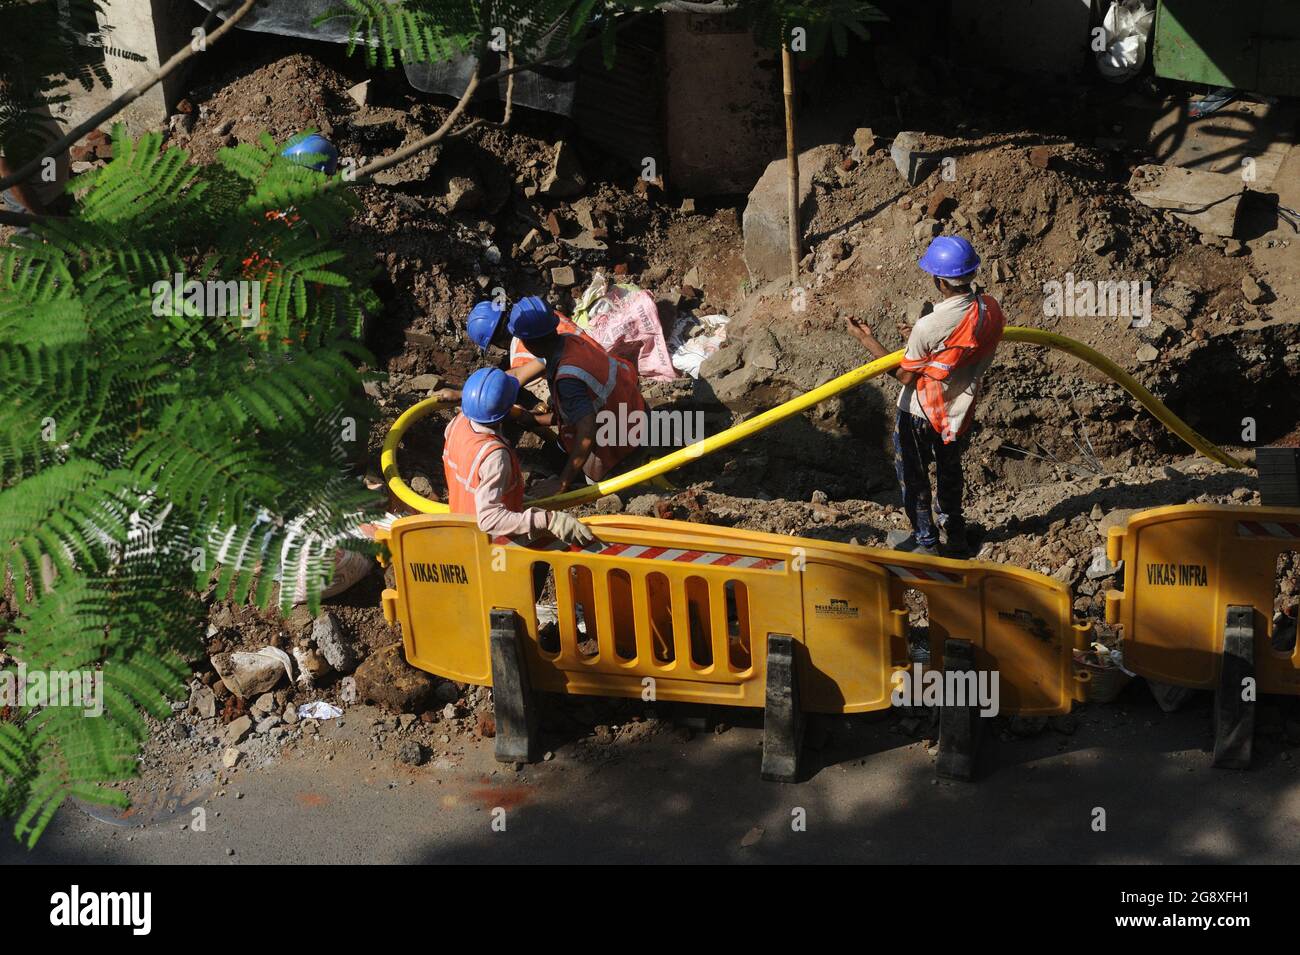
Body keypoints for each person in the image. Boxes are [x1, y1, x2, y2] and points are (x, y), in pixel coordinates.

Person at [844, 235, 1004, 558]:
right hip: (958, 412)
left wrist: (865, 339)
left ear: (939, 281)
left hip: (921, 412)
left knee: (914, 476)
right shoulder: (992, 310)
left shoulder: (929, 327)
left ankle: (925, 541)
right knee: (949, 470)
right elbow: (957, 345)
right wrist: (923, 339)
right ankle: (955, 534)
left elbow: (904, 374)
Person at [506, 296, 648, 494]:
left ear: (528, 342)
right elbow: (518, 375)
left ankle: (590, 480)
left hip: (617, 447)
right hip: (637, 415)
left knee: (554, 454)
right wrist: (473, 392)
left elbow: (586, 432)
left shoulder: (567, 381)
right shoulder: (569, 342)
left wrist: (562, 483)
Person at [442, 367, 593, 545]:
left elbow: (473, 480)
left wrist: (518, 498)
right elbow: (489, 519)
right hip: (492, 544)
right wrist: (549, 520)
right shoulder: (494, 456)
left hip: (462, 528)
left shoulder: (457, 423)